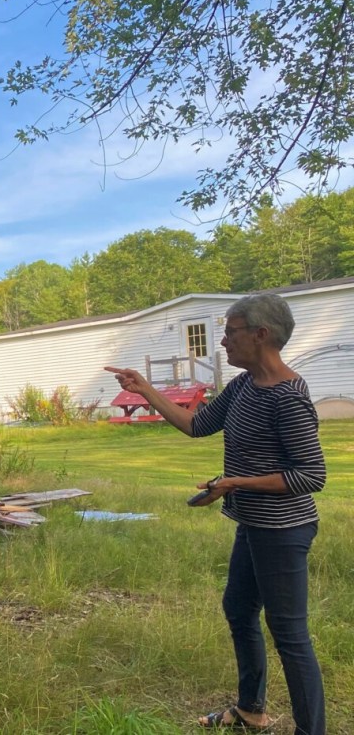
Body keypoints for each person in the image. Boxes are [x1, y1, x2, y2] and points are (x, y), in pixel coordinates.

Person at [106, 293, 326, 734]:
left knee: (290, 636)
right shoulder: (244, 386)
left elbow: (311, 475)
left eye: (230, 331)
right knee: (239, 610)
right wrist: (145, 389)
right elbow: (197, 425)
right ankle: (251, 709)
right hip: (253, 523)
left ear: (261, 335)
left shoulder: (288, 397)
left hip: (284, 530)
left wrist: (235, 484)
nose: (222, 341)